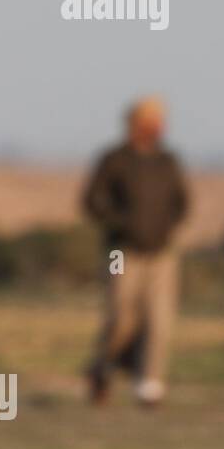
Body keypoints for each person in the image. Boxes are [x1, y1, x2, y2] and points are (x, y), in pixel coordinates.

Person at [82, 97, 190, 407]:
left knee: (160, 319)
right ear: (135, 124)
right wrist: (120, 224)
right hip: (121, 251)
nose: (158, 128)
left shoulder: (167, 161)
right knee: (121, 316)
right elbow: (92, 201)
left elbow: (182, 201)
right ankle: (102, 368)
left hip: (161, 253)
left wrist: (167, 228)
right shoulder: (114, 159)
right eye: (151, 122)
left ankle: (150, 386)